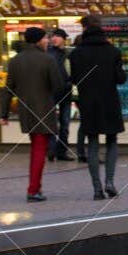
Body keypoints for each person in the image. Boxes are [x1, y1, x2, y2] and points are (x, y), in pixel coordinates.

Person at [0, 26, 66, 203]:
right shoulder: (47, 59)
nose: (47, 41)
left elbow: (8, 90)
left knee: (36, 147)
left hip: (25, 111)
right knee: (39, 151)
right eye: (45, 38)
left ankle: (36, 188)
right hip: (44, 110)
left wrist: (3, 114)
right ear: (37, 40)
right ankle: (33, 190)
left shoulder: (15, 61)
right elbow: (58, 86)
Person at [67, 16, 127, 199]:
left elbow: (74, 79)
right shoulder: (113, 51)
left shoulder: (76, 54)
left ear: (84, 30)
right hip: (109, 101)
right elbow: (121, 78)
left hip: (88, 102)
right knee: (112, 140)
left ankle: (97, 188)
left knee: (92, 142)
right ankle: (110, 182)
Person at [45, 28, 76, 160]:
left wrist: (70, 82)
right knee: (54, 123)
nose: (54, 39)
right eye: (53, 36)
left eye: (58, 36)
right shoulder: (48, 54)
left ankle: (61, 151)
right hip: (52, 93)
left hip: (66, 92)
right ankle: (52, 150)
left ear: (64, 39)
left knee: (65, 124)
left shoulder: (68, 53)